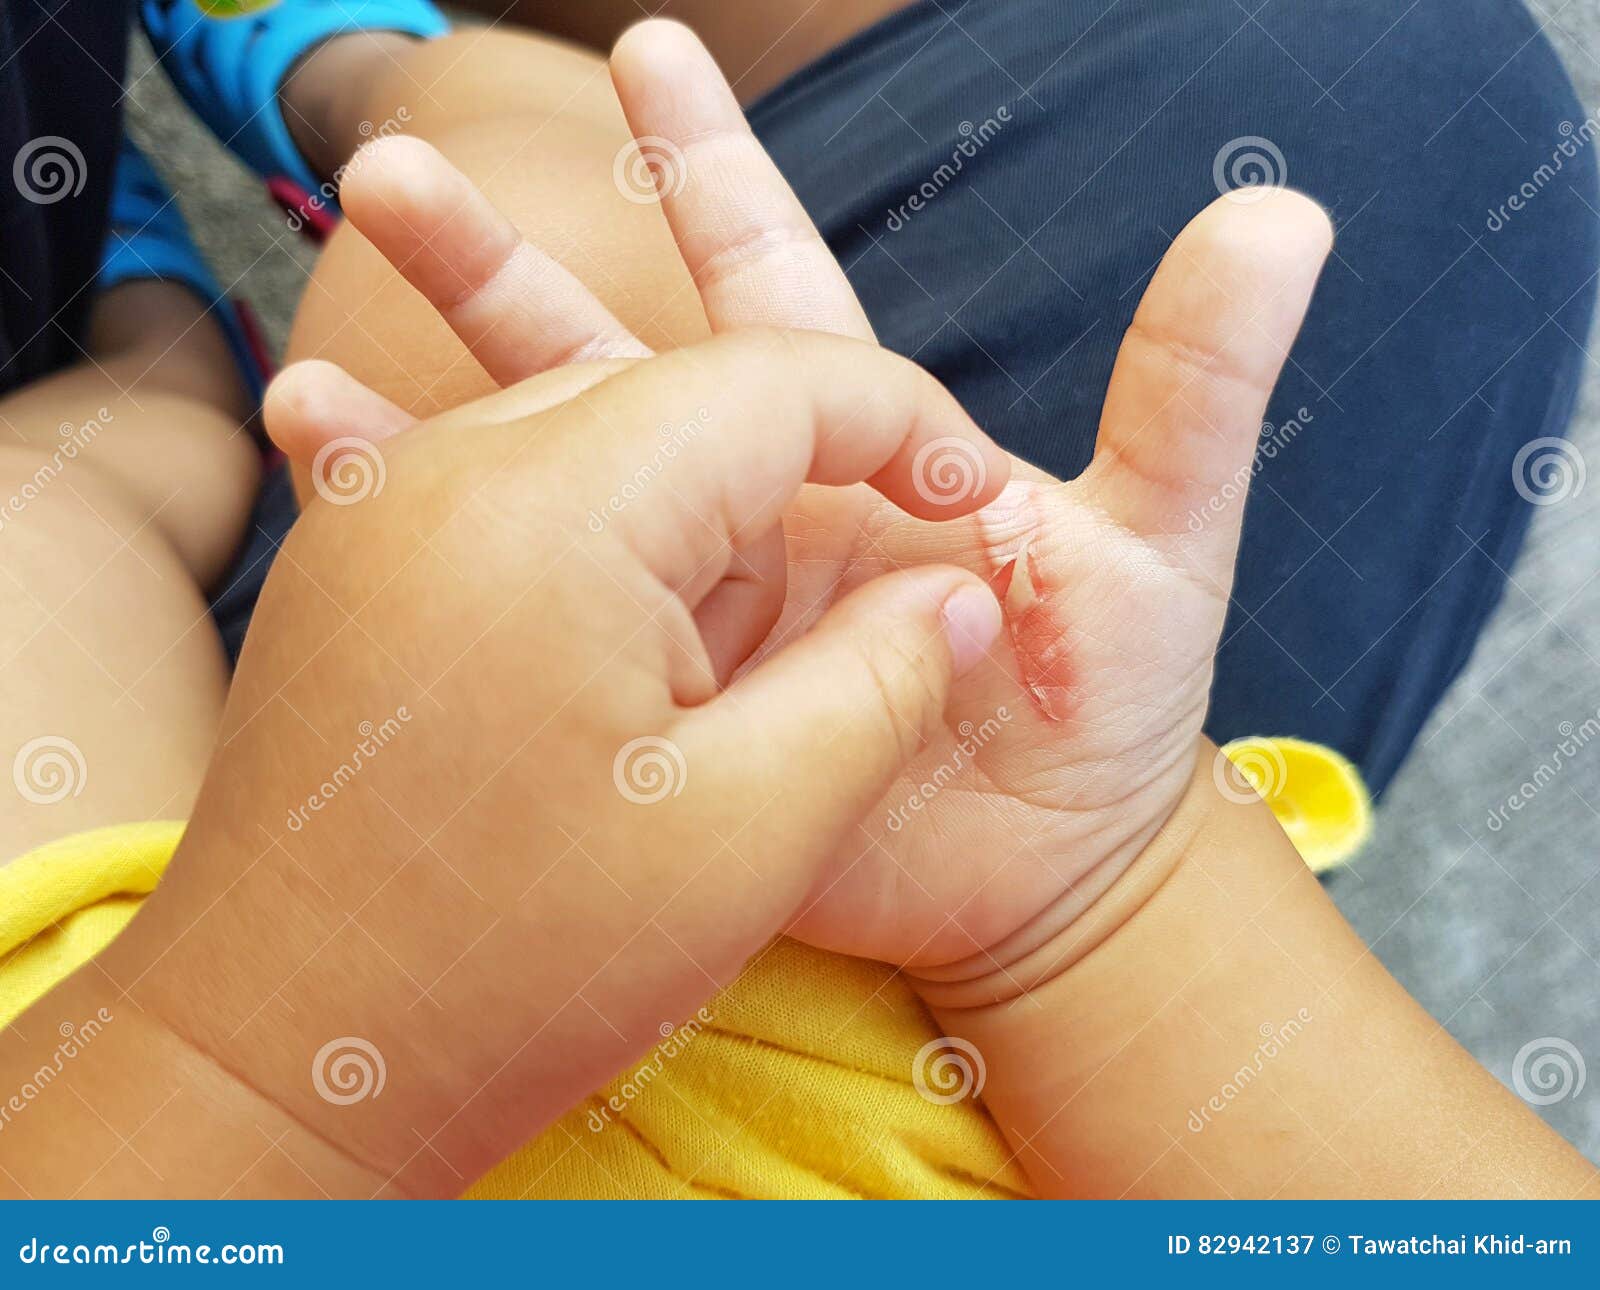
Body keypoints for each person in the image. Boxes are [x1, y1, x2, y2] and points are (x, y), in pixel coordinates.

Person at [1, 21, 1595, 1200]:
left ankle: (134, 297)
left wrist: (282, 1039)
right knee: (1392, 90)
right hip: (969, 1007)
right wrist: (1091, 886)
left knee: (57, 501)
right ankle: (337, 71)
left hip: (131, 1100)